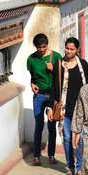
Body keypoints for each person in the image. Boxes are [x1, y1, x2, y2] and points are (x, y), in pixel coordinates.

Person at [25, 33, 63, 167]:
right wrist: (32, 84)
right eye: (38, 47)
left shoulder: (56, 57)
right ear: (35, 47)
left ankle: (51, 155)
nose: (41, 49)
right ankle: (36, 156)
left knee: (51, 125)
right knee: (39, 125)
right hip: (39, 95)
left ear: (47, 45)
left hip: (52, 95)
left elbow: (61, 76)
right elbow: (32, 76)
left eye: (43, 47)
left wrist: (52, 70)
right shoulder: (31, 59)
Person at [59, 37, 87, 175]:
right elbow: (55, 88)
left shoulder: (83, 65)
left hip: (81, 110)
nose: (69, 51)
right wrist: (52, 107)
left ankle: (79, 168)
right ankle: (70, 166)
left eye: (72, 49)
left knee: (80, 139)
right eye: (67, 48)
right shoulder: (59, 65)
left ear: (77, 50)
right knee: (68, 138)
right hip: (65, 110)